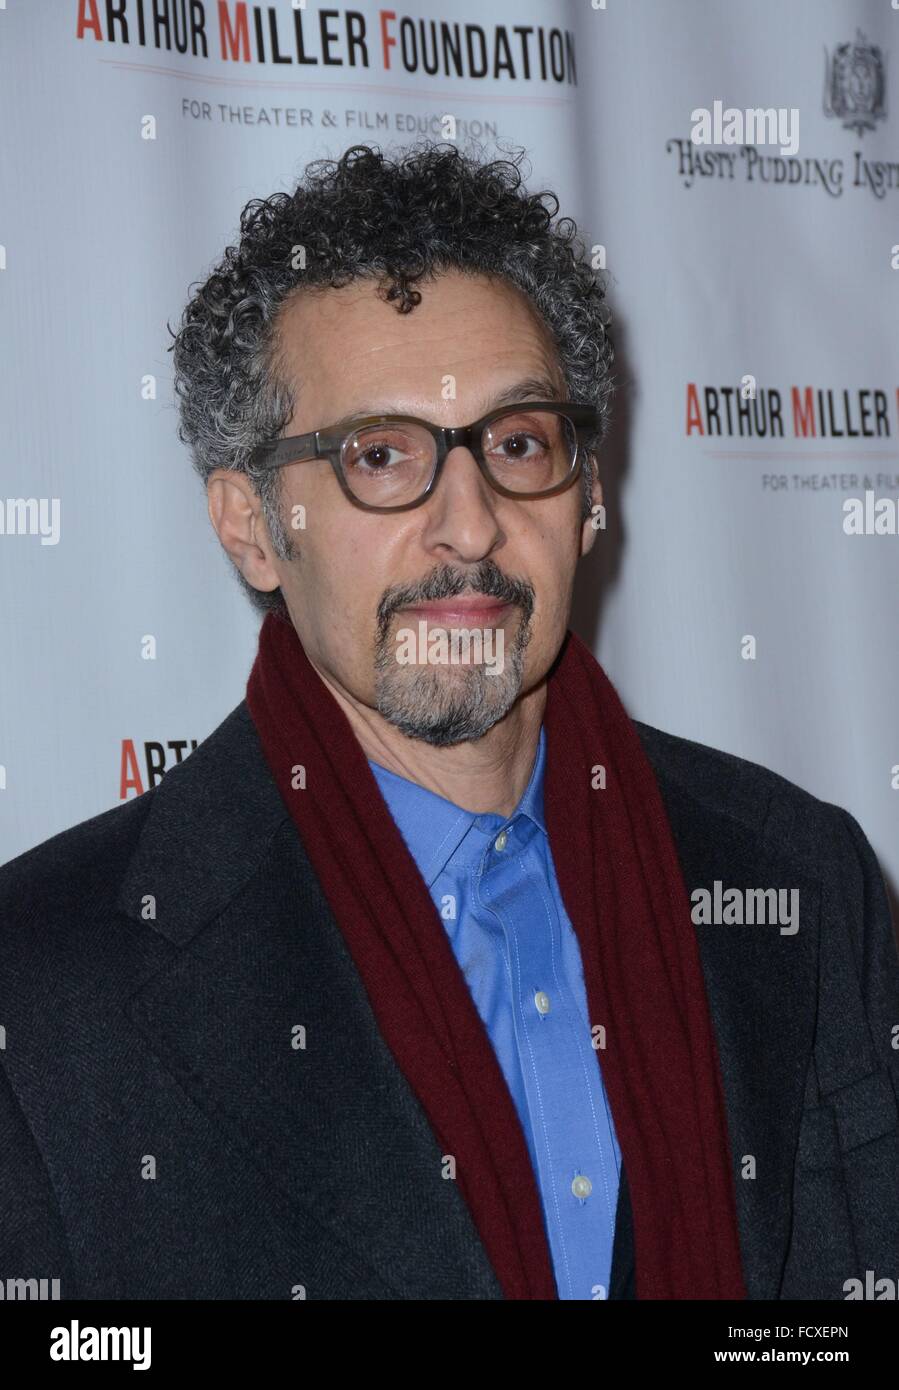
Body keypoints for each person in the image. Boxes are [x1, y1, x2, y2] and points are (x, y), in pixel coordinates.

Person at [1, 144, 896, 1302]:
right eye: (381, 458)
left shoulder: (795, 883)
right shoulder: (45, 984)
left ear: (584, 493)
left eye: (516, 443)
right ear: (252, 525)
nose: (468, 526)